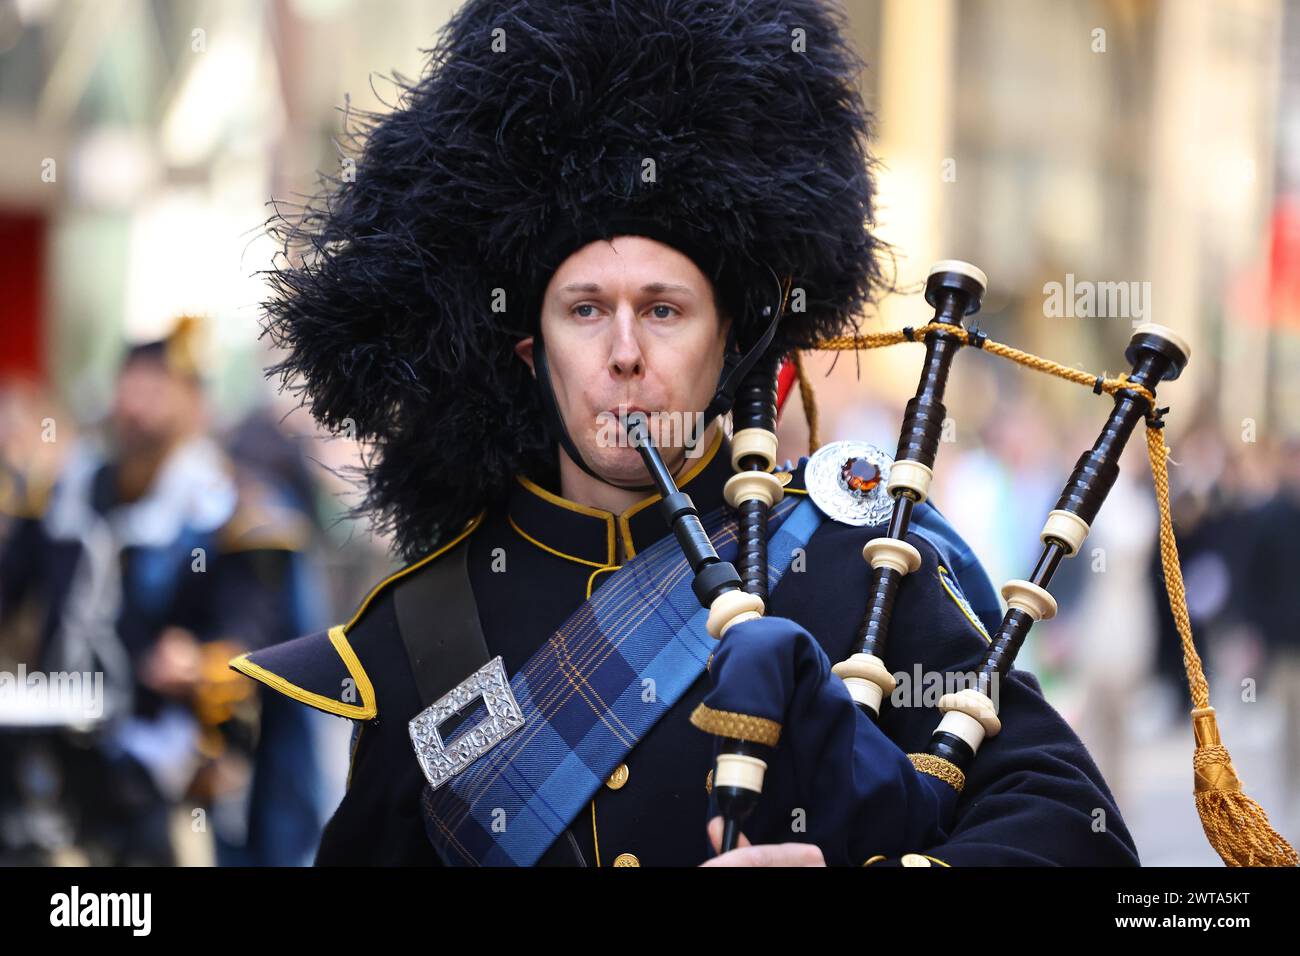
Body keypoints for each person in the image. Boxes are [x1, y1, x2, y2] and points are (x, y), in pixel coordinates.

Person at [233, 0, 1139, 866]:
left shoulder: (861, 563)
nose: (624, 354)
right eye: (585, 311)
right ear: (529, 351)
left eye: (663, 310)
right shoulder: (423, 628)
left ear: (732, 346)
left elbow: (1078, 834)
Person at [0, 318, 323, 865]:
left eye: (157, 387)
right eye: (131, 384)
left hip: (167, 753)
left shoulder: (236, 510)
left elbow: (257, 634)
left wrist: (203, 661)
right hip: (53, 736)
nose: (138, 405)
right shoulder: (62, 491)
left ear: (195, 402)